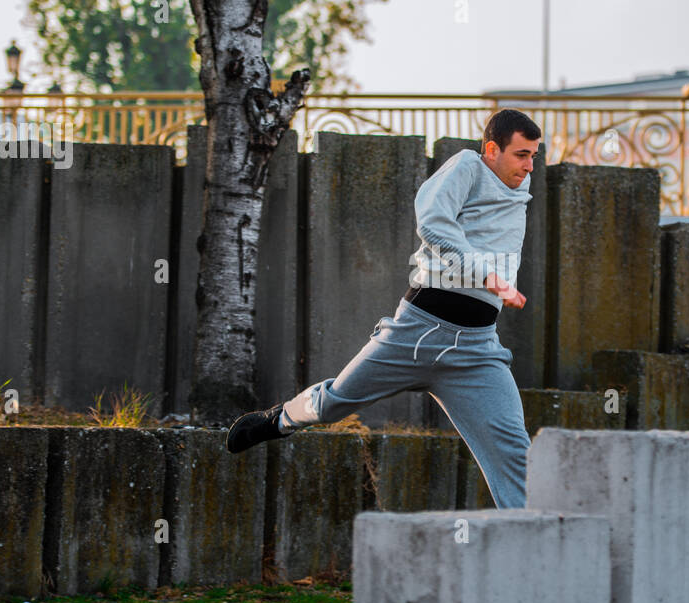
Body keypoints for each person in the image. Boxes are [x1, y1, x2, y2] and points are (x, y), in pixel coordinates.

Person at [225, 108, 541, 509]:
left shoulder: (519, 196)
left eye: (534, 155)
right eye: (521, 155)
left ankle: (533, 548)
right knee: (334, 402)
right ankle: (282, 418)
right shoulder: (467, 167)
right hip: (418, 332)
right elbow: (433, 224)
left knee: (514, 451)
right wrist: (488, 277)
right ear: (492, 149)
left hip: (477, 351)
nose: (530, 166)